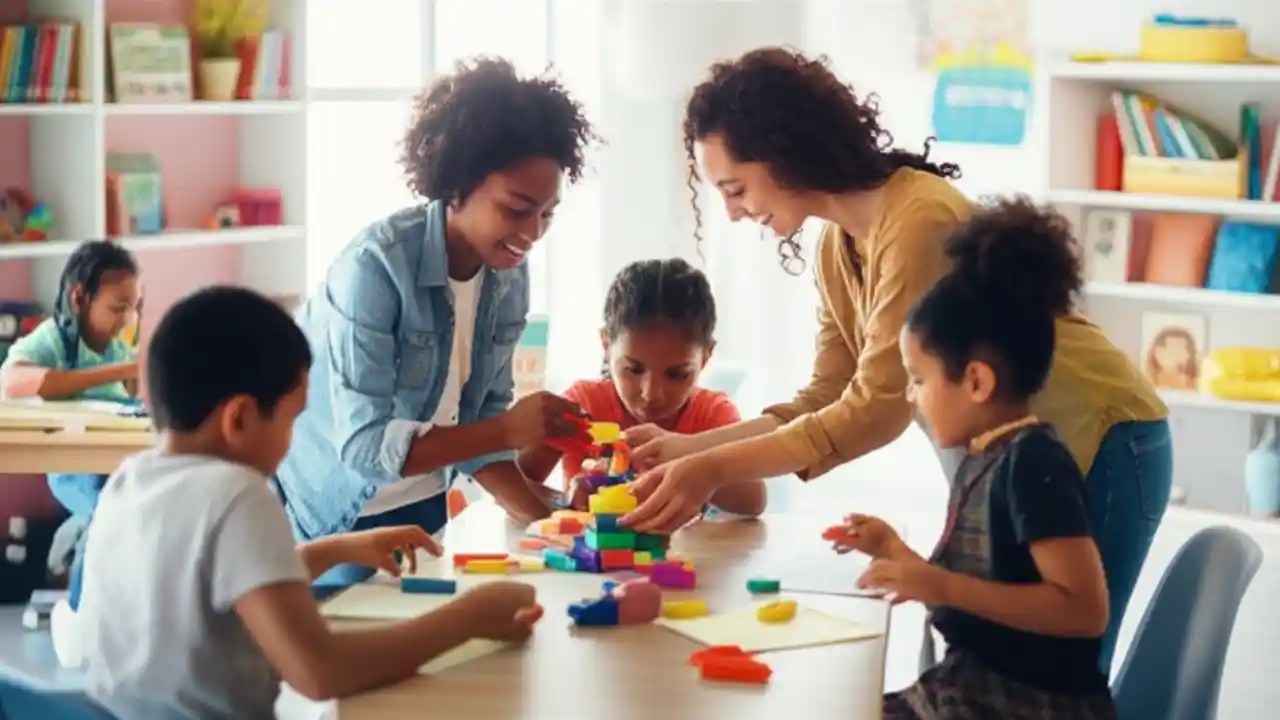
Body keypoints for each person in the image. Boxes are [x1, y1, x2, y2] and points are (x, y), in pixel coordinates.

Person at [623, 47, 1170, 674]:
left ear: (784, 152)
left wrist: (711, 466)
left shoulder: (917, 220)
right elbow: (825, 397)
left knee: (1061, 670)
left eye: (736, 188)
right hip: (1016, 462)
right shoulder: (838, 247)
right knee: (1007, 662)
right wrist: (687, 451)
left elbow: (874, 410)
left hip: (1097, 433)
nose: (734, 211)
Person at [80, 286, 544, 718]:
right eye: (293, 421)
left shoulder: (130, 482)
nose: (291, 443)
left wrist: (341, 548)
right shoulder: (237, 492)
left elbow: (221, 582)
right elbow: (320, 671)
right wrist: (469, 618)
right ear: (239, 417)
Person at [274, 57, 598, 591]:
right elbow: (364, 448)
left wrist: (565, 517)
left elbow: (480, 426)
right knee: (349, 663)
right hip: (333, 516)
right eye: (517, 209)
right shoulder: (375, 269)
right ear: (457, 185)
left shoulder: (508, 276)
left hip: (420, 508)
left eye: (547, 213)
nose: (533, 232)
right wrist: (507, 430)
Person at [838, 198, 1115, 718]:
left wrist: (938, 583)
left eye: (919, 379)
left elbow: (1084, 610)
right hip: (975, 693)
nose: (911, 395)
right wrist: (897, 553)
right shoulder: (985, 458)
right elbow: (973, 601)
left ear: (977, 381)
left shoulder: (1035, 466)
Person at [516, 258, 765, 516]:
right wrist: (566, 500)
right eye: (633, 370)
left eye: (677, 374)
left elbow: (753, 501)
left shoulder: (712, 414)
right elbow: (512, 483)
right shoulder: (581, 406)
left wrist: (682, 453)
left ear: (706, 356)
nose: (651, 394)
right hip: (592, 554)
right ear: (606, 344)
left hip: (684, 555)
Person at [0, 239, 142, 600]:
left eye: (133, 307)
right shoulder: (54, 339)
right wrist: (116, 371)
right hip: (77, 470)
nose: (127, 319)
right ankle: (81, 611)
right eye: (117, 307)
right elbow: (13, 382)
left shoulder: (118, 346)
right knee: (111, 515)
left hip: (119, 461)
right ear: (79, 298)